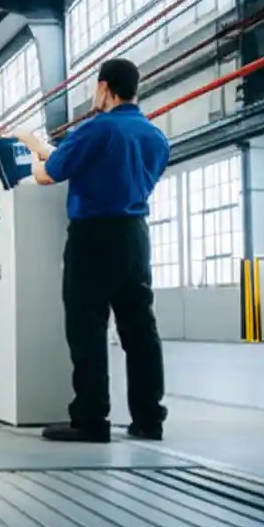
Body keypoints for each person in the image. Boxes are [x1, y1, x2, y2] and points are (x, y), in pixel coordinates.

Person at [14, 58, 170, 443]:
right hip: (135, 236)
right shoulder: (155, 136)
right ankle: (149, 419)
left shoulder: (97, 128)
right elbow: (87, 162)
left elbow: (50, 173)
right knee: (140, 330)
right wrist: (40, 147)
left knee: (88, 327)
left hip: (94, 237)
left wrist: (28, 158)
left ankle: (90, 419)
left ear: (103, 88)